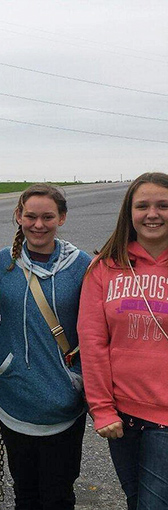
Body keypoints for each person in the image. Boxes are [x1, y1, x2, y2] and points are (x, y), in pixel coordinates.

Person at [0, 184, 91, 509]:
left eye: (48, 217)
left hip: (63, 401)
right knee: (25, 492)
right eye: (31, 216)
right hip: (14, 397)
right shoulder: (3, 262)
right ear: (19, 217)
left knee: (58, 495)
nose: (39, 225)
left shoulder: (81, 266)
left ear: (61, 218)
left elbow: (94, 331)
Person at [78, 172, 168, 510]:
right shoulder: (105, 268)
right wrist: (101, 409)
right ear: (129, 213)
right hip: (122, 415)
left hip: (166, 417)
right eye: (142, 205)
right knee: (136, 502)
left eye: (163, 205)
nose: (152, 214)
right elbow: (92, 342)